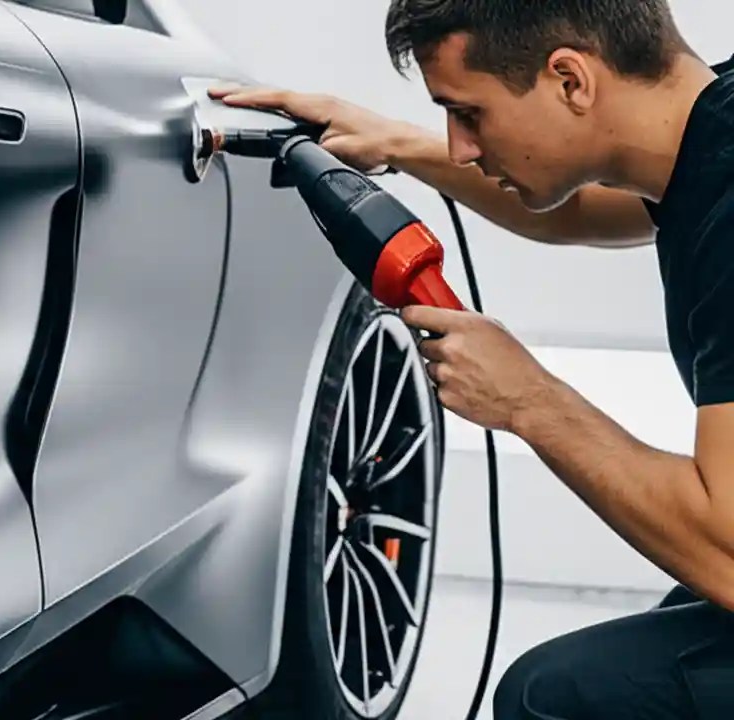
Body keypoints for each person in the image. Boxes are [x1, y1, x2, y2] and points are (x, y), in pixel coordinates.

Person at [211, 1, 734, 718]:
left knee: (557, 695)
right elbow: (578, 211)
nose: (459, 147)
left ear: (571, 81)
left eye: (470, 115)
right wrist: (396, 142)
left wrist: (531, 401)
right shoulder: (708, 134)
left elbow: (730, 556)